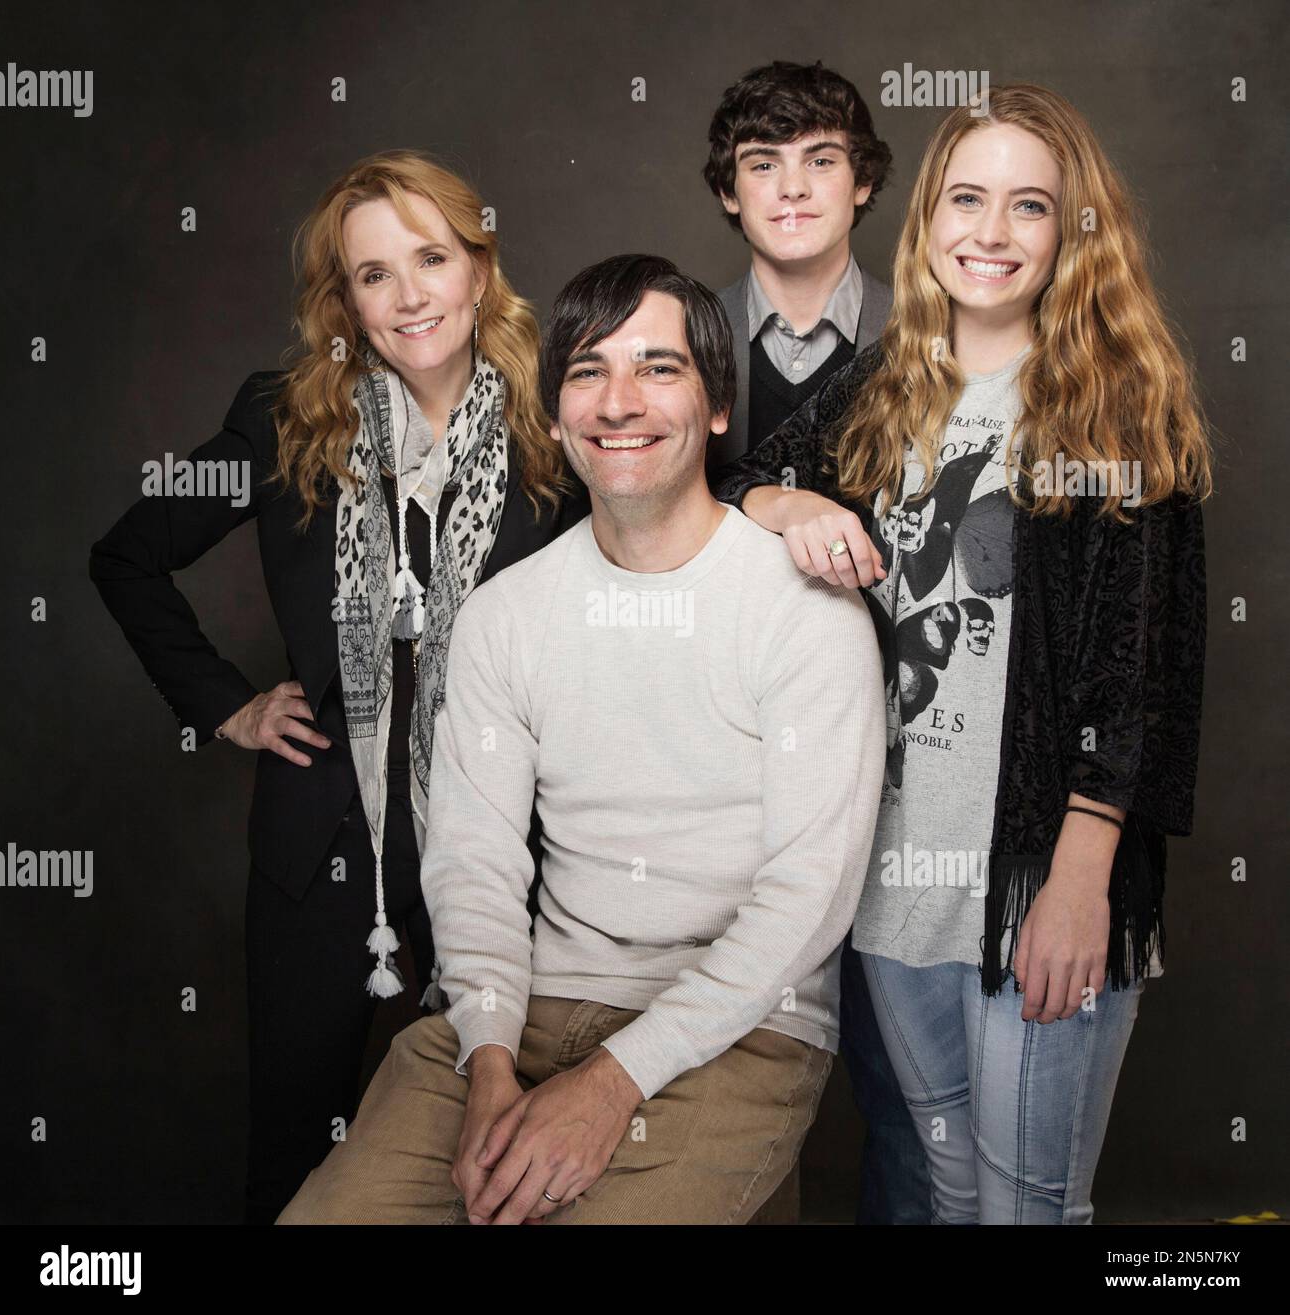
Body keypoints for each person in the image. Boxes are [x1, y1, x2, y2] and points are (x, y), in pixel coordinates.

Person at [276, 253, 886, 1225]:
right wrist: (485, 1059)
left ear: (717, 405)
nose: (619, 401)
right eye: (588, 372)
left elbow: (808, 898)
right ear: (555, 416)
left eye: (658, 367)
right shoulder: (506, 616)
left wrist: (613, 1082)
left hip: (740, 1027)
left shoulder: (801, 608)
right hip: (515, 1015)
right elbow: (473, 865)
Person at [714, 83, 1211, 1223]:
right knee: (943, 1187)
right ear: (927, 214)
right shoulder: (886, 385)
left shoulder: (1113, 406)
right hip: (896, 878)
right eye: (967, 200)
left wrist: (1080, 877)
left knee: (1029, 1201)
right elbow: (736, 481)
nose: (990, 234)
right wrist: (794, 512)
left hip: (1039, 873)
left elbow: (1142, 673)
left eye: (1028, 207)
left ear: (1071, 233)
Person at [88, 149, 587, 1223]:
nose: (408, 295)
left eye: (431, 258)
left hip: (506, 843)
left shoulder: (556, 422)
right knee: (294, 1157)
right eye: (373, 274)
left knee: (500, 1157)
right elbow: (124, 556)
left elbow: (662, 540)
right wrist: (226, 702)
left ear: (478, 269)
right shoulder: (283, 418)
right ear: (345, 302)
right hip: (321, 851)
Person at [702, 58, 930, 1223]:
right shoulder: (675, 344)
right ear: (731, 194)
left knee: (902, 1095)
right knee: (725, 1082)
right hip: (718, 781)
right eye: (761, 165)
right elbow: (624, 527)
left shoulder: (934, 338)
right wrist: (761, 501)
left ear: (863, 183)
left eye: (819, 161)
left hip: (900, 781)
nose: (791, 189)